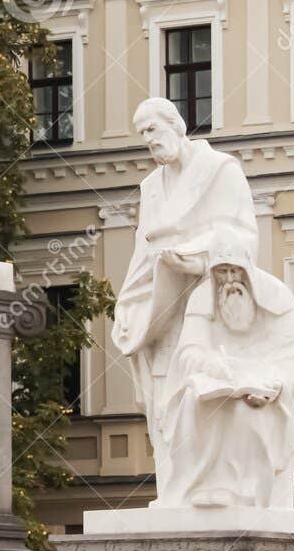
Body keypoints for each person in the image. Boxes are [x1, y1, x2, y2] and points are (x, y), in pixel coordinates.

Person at [110, 97, 257, 484]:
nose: (149, 140)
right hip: (163, 310)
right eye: (142, 134)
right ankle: (174, 488)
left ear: (175, 124)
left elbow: (244, 237)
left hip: (208, 303)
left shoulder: (221, 170)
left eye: (152, 129)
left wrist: (198, 257)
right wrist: (127, 306)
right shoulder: (151, 188)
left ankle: (215, 486)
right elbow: (142, 252)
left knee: (205, 395)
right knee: (165, 404)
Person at [161, 250, 294, 511]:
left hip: (265, 387)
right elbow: (188, 351)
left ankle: (243, 493)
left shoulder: (279, 297)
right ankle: (199, 486)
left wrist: (275, 386)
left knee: (245, 411)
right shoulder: (201, 298)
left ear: (248, 269)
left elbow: (291, 358)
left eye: (235, 270)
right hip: (216, 381)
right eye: (222, 271)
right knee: (193, 401)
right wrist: (210, 365)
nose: (229, 280)